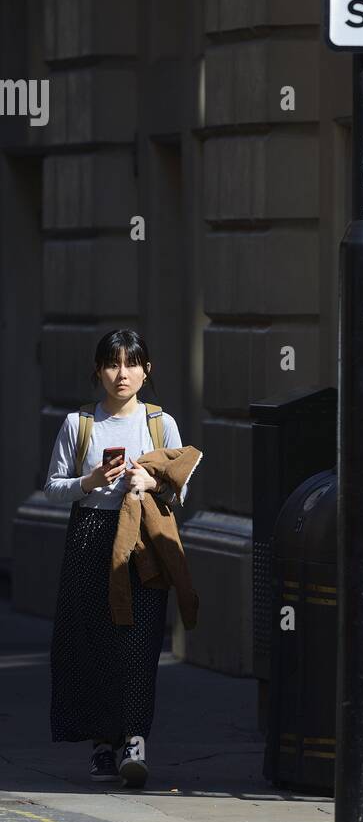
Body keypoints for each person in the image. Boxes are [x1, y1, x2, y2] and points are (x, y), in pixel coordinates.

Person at [46, 329, 187, 788]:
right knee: (92, 640)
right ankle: (101, 744)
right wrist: (89, 481)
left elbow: (180, 483)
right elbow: (52, 487)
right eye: (111, 364)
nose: (121, 374)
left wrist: (151, 484)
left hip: (143, 537)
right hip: (90, 535)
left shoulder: (160, 423)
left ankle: (134, 739)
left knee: (142, 640)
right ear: (98, 370)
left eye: (131, 363)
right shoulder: (78, 423)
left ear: (147, 370)